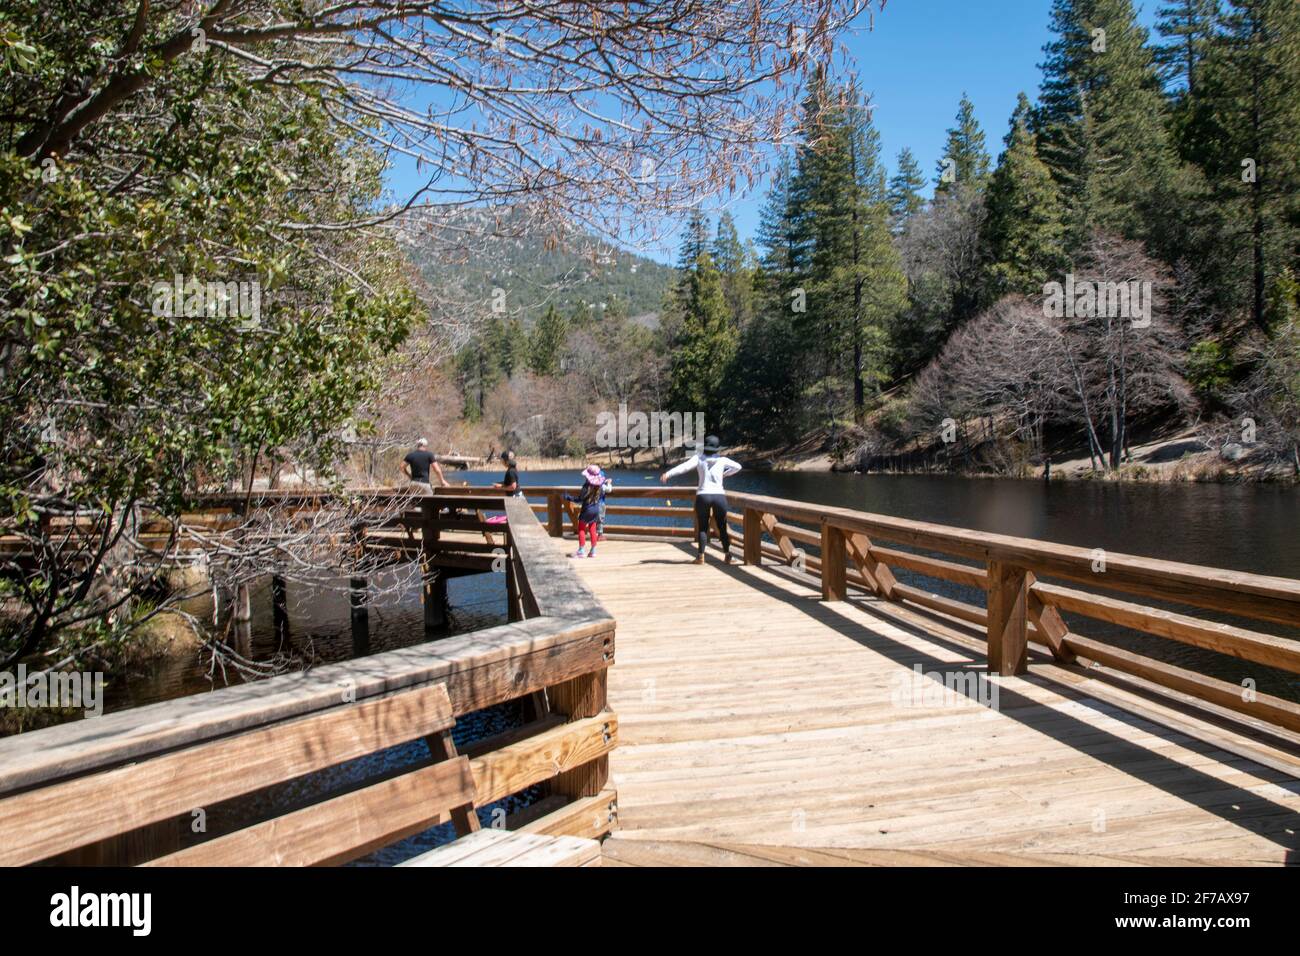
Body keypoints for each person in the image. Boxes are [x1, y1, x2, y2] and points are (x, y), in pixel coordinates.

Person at [660, 435, 742, 565]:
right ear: (716, 449)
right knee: (722, 527)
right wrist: (724, 474)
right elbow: (738, 467)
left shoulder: (698, 459)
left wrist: (668, 474)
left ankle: (700, 556)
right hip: (719, 496)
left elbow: (684, 467)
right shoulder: (722, 460)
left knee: (703, 527)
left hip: (703, 496)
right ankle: (728, 555)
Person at [564, 465, 605, 558]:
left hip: (587, 509)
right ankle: (593, 550)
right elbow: (602, 494)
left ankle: (581, 550)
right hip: (596, 509)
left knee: (581, 528)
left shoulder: (586, 487)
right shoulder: (599, 487)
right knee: (593, 529)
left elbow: (579, 499)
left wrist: (568, 497)